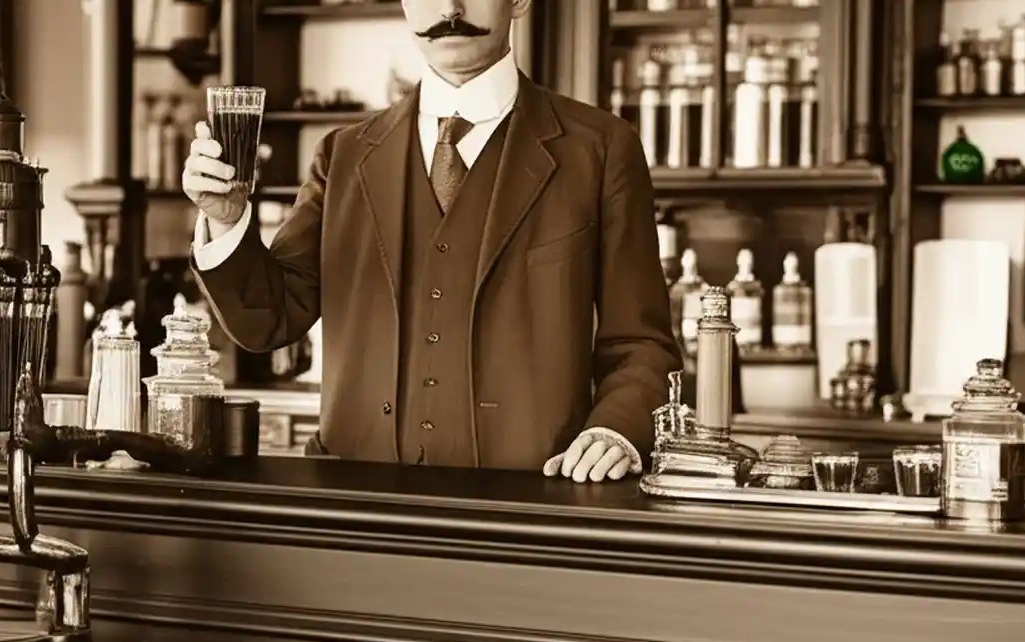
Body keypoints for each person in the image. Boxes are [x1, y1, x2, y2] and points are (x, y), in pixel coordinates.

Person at [183, 0, 682, 482]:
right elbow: (267, 320)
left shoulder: (599, 148)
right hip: (354, 499)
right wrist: (227, 222)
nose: (450, 9)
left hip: (531, 504)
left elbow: (641, 344)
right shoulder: (342, 155)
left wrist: (614, 431)